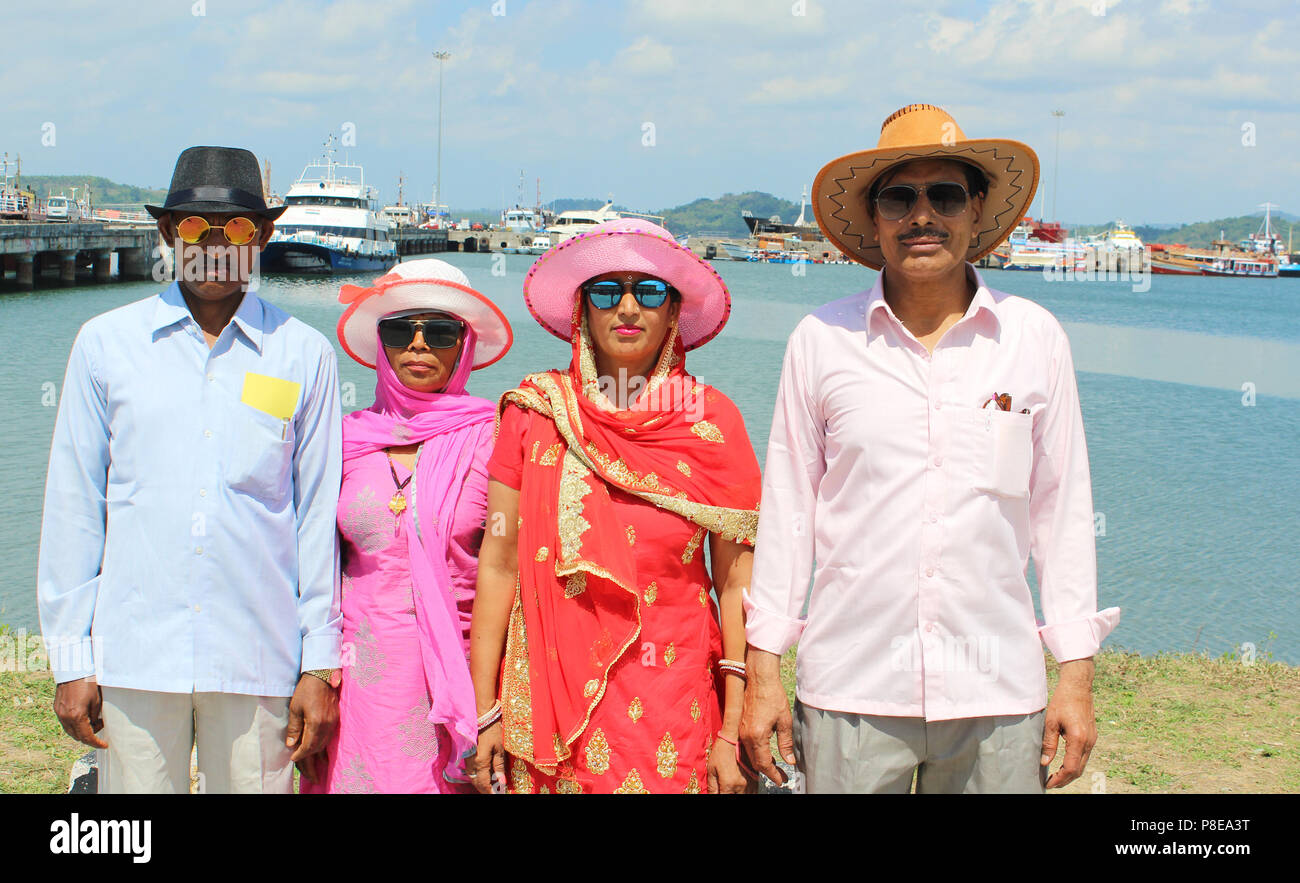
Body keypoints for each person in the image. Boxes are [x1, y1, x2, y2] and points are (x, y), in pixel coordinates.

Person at [740, 104, 1121, 793]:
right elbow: (788, 511)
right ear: (875, 216)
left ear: (976, 211)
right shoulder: (822, 341)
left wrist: (1076, 672)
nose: (922, 215)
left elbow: (1062, 510)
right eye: (899, 196)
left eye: (944, 194)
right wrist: (764, 669)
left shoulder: (1033, 339)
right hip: (851, 688)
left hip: (997, 690)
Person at [37, 145, 343, 793]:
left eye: (235, 228)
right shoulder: (106, 346)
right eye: (194, 227)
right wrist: (70, 656)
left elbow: (317, 517)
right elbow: (74, 504)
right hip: (135, 652)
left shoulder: (302, 355)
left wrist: (320, 662)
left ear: (261, 237)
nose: (214, 245)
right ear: (167, 233)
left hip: (259, 653)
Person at [469, 218, 762, 794]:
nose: (627, 307)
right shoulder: (534, 413)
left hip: (671, 697)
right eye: (607, 291)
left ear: (673, 312)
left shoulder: (711, 420)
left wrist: (732, 725)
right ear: (583, 309)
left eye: (649, 291)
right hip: (549, 699)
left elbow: (738, 584)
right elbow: (499, 562)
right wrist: (487, 712)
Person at [302, 259, 513, 793]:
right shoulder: (342, 439)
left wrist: (496, 702)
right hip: (358, 680)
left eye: (439, 332)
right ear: (382, 344)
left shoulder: (496, 438)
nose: (419, 345)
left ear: (462, 346)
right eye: (402, 330)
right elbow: (307, 563)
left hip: (459, 673)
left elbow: (513, 570)